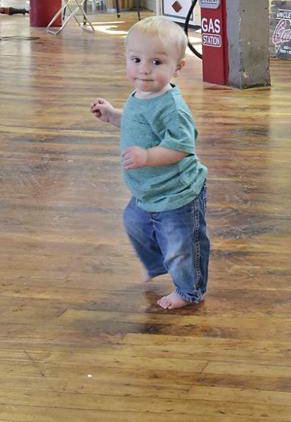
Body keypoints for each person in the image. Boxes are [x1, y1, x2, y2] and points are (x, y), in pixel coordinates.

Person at [90, 16, 210, 310]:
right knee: (135, 224)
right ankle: (158, 265)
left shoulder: (172, 108)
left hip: (178, 193)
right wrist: (112, 116)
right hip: (148, 189)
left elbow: (181, 148)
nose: (143, 69)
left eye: (156, 62)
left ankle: (189, 290)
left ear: (177, 68)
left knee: (181, 245)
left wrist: (147, 157)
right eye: (136, 59)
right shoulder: (141, 94)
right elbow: (137, 123)